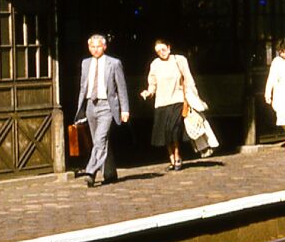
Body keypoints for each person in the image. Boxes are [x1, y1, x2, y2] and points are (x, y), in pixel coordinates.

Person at [75, 34, 130, 188]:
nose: (95, 49)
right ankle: (110, 173)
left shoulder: (114, 63)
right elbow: (83, 87)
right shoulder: (85, 63)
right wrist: (81, 108)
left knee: (100, 139)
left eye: (98, 46)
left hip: (107, 106)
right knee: (100, 142)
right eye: (92, 47)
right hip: (91, 105)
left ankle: (90, 171)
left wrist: (124, 109)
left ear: (104, 47)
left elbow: (121, 87)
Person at [140, 38, 202, 171]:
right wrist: (148, 92)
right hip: (162, 103)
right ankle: (172, 158)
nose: (162, 53)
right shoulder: (155, 64)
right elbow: (152, 84)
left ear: (169, 47)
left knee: (175, 130)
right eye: (158, 51)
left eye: (163, 49)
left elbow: (188, 79)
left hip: (177, 99)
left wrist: (194, 96)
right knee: (165, 133)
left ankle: (178, 155)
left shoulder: (179, 60)